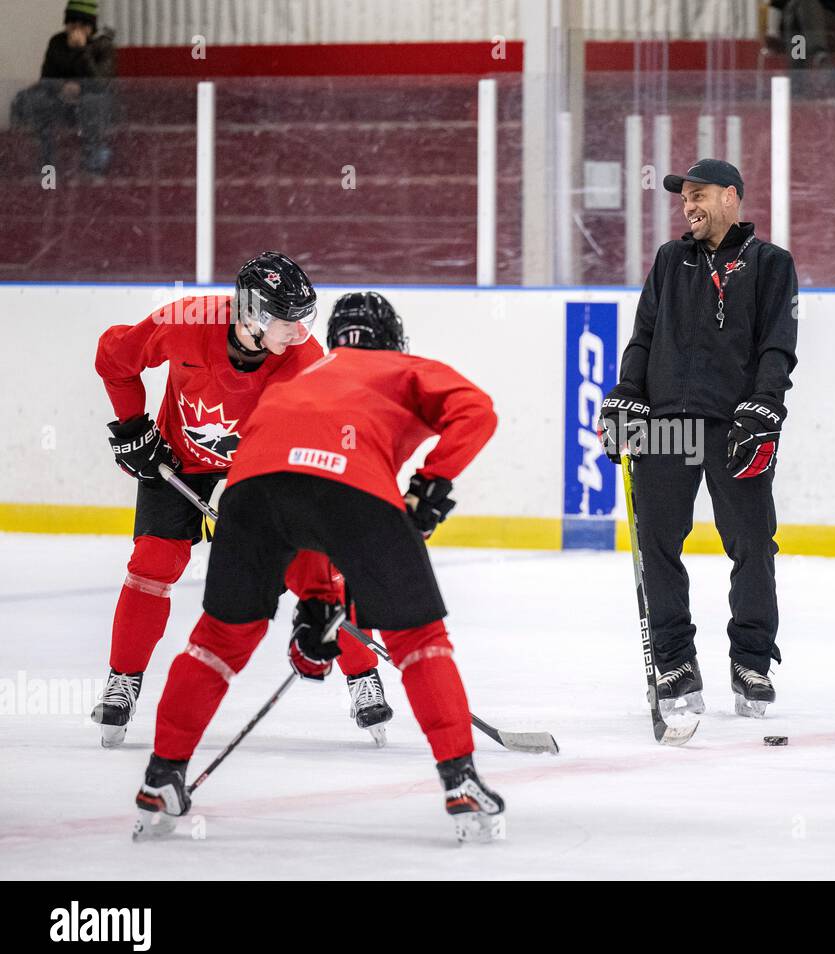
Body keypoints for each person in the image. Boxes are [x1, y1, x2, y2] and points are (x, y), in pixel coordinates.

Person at [132, 293, 506, 843]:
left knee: (217, 640)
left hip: (251, 490)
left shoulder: (300, 377)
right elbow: (478, 412)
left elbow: (296, 487)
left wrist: (318, 604)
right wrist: (433, 482)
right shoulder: (404, 368)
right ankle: (461, 781)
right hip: (354, 490)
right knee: (419, 639)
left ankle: (161, 777)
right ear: (395, 339)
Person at [90, 254, 390, 748]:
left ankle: (362, 676)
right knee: (152, 563)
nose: (298, 332)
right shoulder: (185, 322)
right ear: (252, 315)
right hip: (177, 460)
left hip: (258, 467)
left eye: (303, 320)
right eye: (288, 321)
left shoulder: (304, 360)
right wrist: (130, 427)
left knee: (316, 566)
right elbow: (112, 356)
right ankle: (123, 681)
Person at [600, 158, 799, 718]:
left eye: (699, 194)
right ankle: (675, 659)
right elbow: (643, 335)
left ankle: (752, 660)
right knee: (656, 545)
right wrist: (625, 391)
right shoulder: (670, 259)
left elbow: (778, 345)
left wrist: (765, 406)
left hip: (736, 425)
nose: (688, 205)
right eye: (684, 197)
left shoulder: (770, 264)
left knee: (753, 545)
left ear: (731, 197)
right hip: (666, 425)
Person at [9, 1, 117, 174]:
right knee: (34, 100)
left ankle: (92, 166)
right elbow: (46, 77)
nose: (76, 29)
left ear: (91, 26)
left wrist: (82, 51)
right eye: (72, 23)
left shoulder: (102, 46)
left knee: (92, 103)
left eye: (82, 24)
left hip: (93, 101)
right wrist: (62, 87)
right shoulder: (57, 43)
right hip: (60, 98)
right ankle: (47, 167)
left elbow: (100, 82)